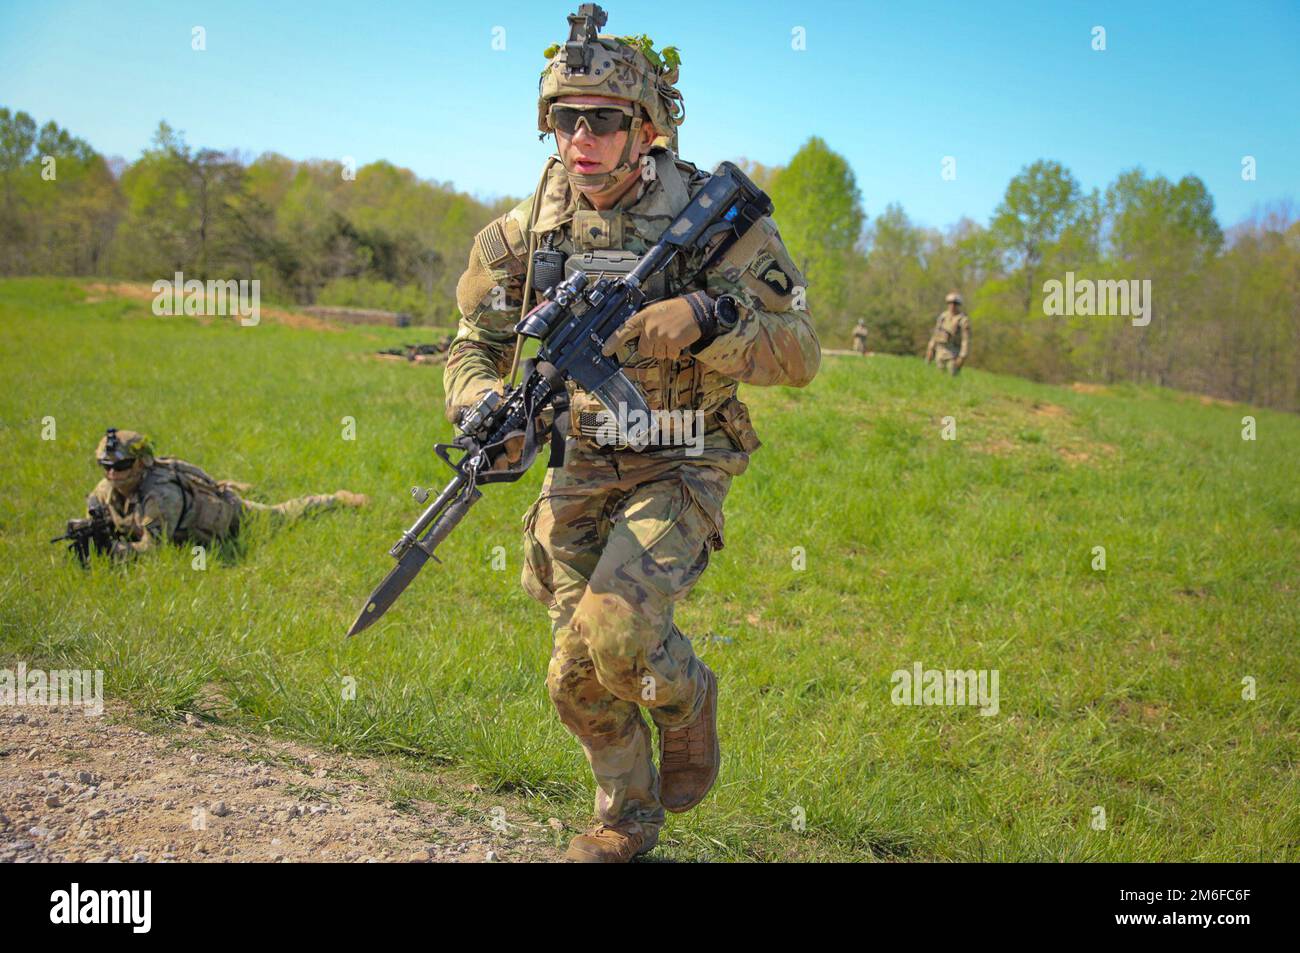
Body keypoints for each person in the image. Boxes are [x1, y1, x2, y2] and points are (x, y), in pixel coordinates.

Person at [443, 5, 820, 862]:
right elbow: (474, 342)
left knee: (618, 630)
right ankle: (626, 819)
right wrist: (477, 410)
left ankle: (687, 704)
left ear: (644, 128)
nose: (581, 136)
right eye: (564, 118)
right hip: (577, 459)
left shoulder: (717, 220)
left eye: (603, 119)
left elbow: (801, 351)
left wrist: (706, 315)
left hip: (684, 449)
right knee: (575, 678)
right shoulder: (525, 232)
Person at [81, 428, 366, 559]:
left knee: (280, 515)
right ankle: (234, 487)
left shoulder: (161, 495)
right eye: (105, 466)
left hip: (230, 518)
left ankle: (337, 500)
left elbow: (154, 551)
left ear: (141, 463)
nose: (112, 474)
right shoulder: (106, 490)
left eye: (121, 466)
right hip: (199, 510)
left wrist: (113, 552)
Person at [925, 291, 971, 375]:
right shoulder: (943, 317)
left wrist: (962, 356)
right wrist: (930, 348)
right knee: (939, 377)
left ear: (958, 305)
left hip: (954, 353)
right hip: (940, 351)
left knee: (951, 376)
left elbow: (965, 340)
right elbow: (936, 333)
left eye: (955, 303)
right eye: (950, 303)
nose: (952, 305)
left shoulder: (963, 320)